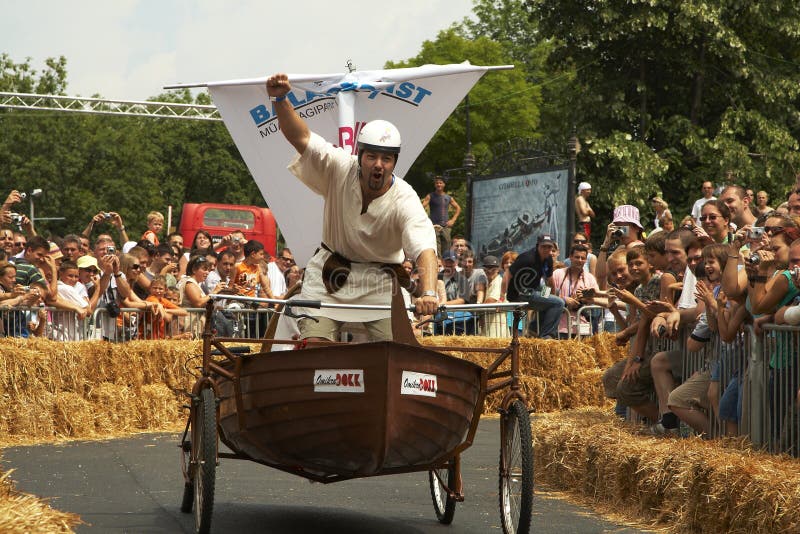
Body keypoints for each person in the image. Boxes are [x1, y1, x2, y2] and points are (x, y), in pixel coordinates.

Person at [266, 72, 438, 342]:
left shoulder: (405, 197)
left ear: (394, 162)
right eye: (372, 156)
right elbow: (301, 138)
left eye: (386, 159)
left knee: (398, 352)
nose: (378, 165)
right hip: (329, 278)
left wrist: (428, 292)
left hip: (380, 285)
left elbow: (425, 249)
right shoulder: (339, 167)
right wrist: (280, 99)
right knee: (315, 348)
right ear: (360, 156)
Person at [501, 233, 565, 339]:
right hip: (520, 293)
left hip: (533, 290)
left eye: (549, 247)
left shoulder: (548, 259)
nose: (547, 249)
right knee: (559, 303)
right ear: (538, 245)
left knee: (554, 297)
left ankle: (533, 328)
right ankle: (546, 335)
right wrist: (502, 296)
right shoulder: (527, 258)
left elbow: (549, 280)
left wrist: (550, 296)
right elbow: (507, 274)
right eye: (544, 246)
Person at [551, 244, 598, 338]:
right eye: (577, 257)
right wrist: (563, 300)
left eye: (583, 258)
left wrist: (585, 300)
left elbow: (597, 298)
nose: (580, 260)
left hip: (582, 328)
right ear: (570, 257)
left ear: (586, 260)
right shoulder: (556, 273)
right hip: (559, 327)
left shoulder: (590, 278)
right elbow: (544, 294)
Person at [422, 176, 461, 257]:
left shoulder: (448, 197)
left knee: (447, 247)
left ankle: (446, 262)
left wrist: (453, 220)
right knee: (436, 248)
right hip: (434, 226)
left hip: (445, 226)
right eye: (437, 183)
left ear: (444, 184)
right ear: (435, 185)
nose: (438, 184)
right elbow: (420, 208)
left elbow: (458, 208)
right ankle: (438, 263)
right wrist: (426, 220)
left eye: (440, 183)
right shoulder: (430, 196)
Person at [141, 275, 188, 339]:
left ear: (165, 290)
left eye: (160, 289)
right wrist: (165, 312)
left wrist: (166, 310)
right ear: (150, 289)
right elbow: (168, 318)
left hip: (160, 336)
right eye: (155, 288)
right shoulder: (151, 299)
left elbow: (184, 312)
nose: (157, 291)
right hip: (149, 337)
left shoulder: (164, 300)